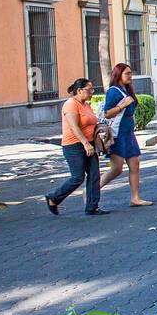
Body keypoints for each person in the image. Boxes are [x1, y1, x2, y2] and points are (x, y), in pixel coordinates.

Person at [46, 78, 106, 216]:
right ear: (79, 90)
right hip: (74, 146)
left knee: (94, 175)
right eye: (89, 89)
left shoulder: (86, 105)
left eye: (92, 89)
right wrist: (85, 143)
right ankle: (53, 198)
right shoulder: (70, 105)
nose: (92, 92)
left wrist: (99, 133)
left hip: (89, 144)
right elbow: (74, 127)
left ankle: (92, 207)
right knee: (77, 177)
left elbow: (91, 123)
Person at [99, 62, 153, 206]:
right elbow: (107, 113)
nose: (130, 76)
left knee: (135, 164)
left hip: (128, 133)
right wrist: (121, 105)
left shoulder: (126, 89)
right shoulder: (113, 91)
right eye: (127, 73)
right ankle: (92, 190)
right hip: (117, 134)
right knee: (116, 169)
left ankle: (135, 198)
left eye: (130, 73)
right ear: (118, 75)